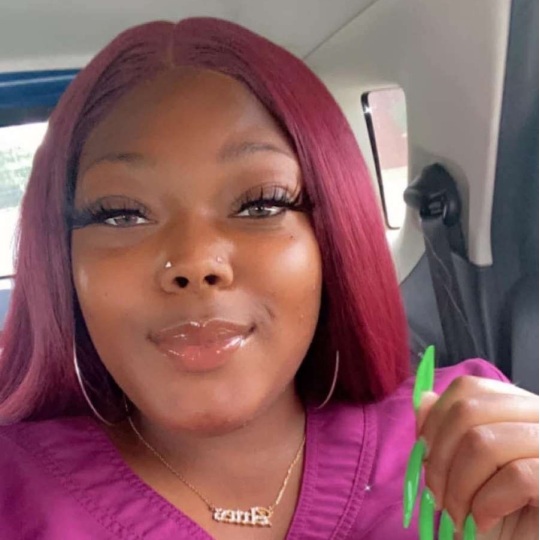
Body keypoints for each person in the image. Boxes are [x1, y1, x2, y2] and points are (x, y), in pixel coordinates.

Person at [0, 17, 537, 540]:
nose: (195, 262)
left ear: (331, 234)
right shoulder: (14, 489)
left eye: (261, 204)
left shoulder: (476, 438)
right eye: (122, 214)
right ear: (61, 259)